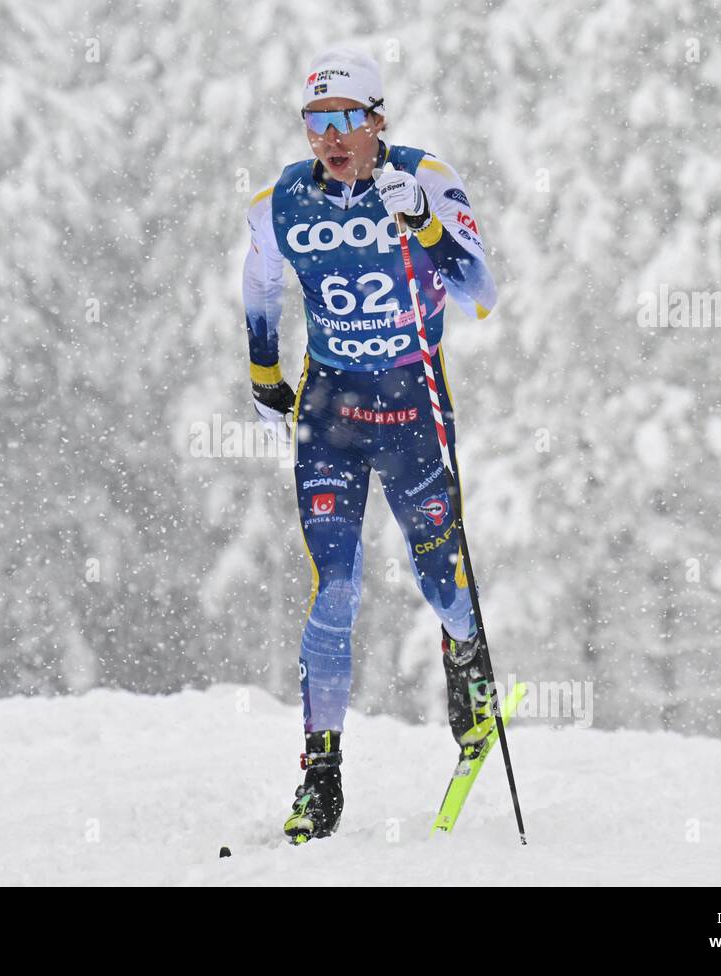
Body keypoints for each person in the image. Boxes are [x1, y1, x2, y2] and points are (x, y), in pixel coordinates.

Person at [241, 46, 500, 843]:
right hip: (330, 414)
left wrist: (421, 221)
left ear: (378, 119)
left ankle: (466, 656)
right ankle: (321, 776)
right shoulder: (280, 199)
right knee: (336, 590)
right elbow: (260, 279)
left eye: (348, 119)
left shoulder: (426, 175)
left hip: (413, 405)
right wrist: (263, 372)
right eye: (318, 122)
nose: (332, 136)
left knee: (442, 583)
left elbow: (480, 293)